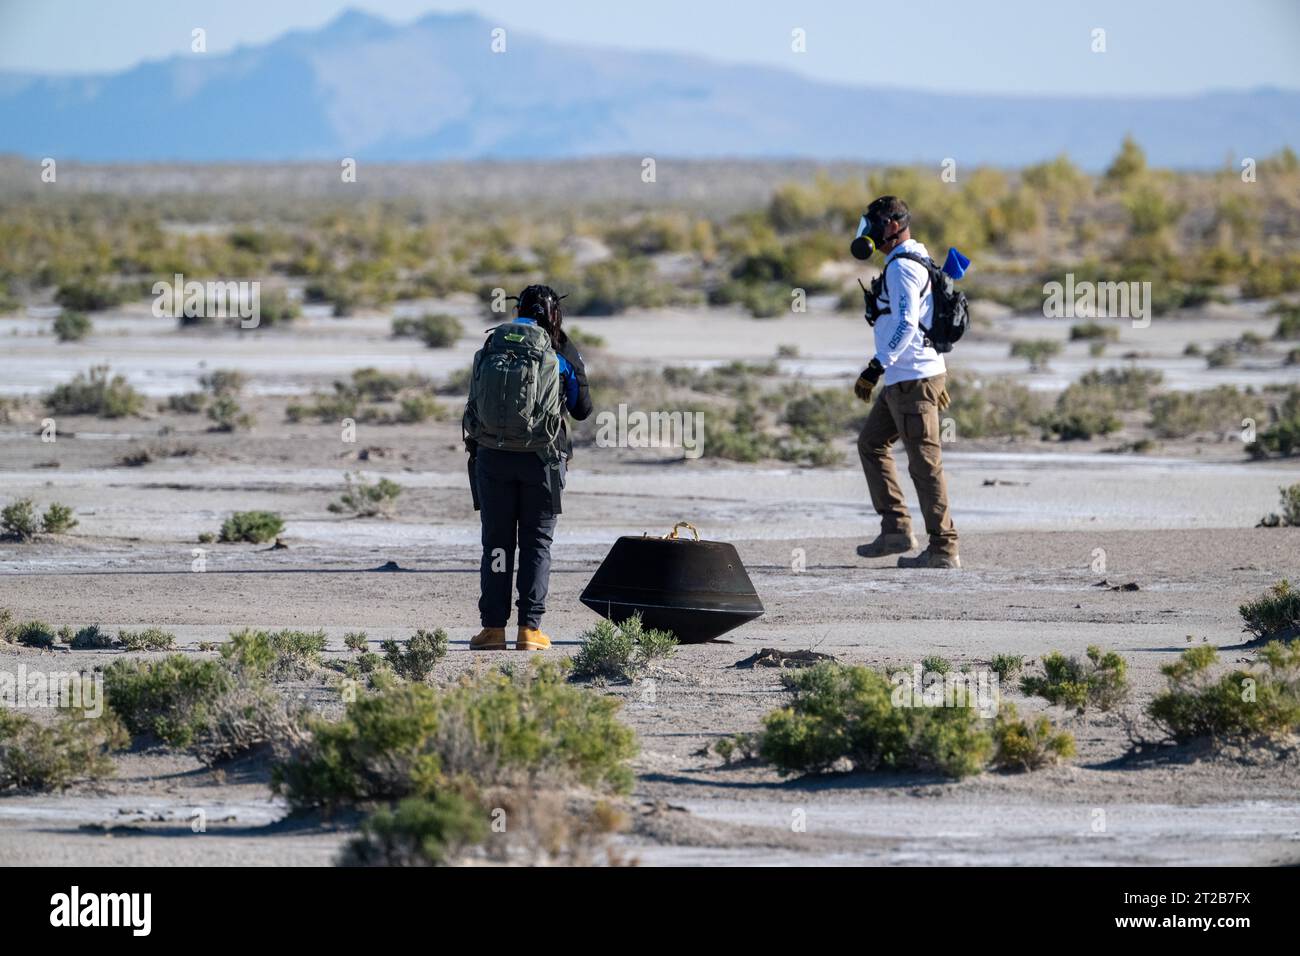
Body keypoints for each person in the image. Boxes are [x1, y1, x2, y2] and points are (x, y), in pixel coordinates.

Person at [463, 284, 593, 650]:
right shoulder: (559, 350)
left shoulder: (494, 343)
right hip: (543, 461)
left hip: (491, 457)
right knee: (536, 544)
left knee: (497, 545)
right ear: (554, 314)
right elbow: (582, 408)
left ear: (517, 308)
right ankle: (529, 630)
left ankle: (492, 630)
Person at [852, 196, 961, 569]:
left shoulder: (903, 269)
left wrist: (875, 367)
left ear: (893, 227)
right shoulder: (912, 260)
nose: (869, 233)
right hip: (910, 377)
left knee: (924, 464)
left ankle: (944, 547)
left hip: (909, 378)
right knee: (871, 444)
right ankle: (896, 529)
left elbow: (907, 323)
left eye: (875, 225)